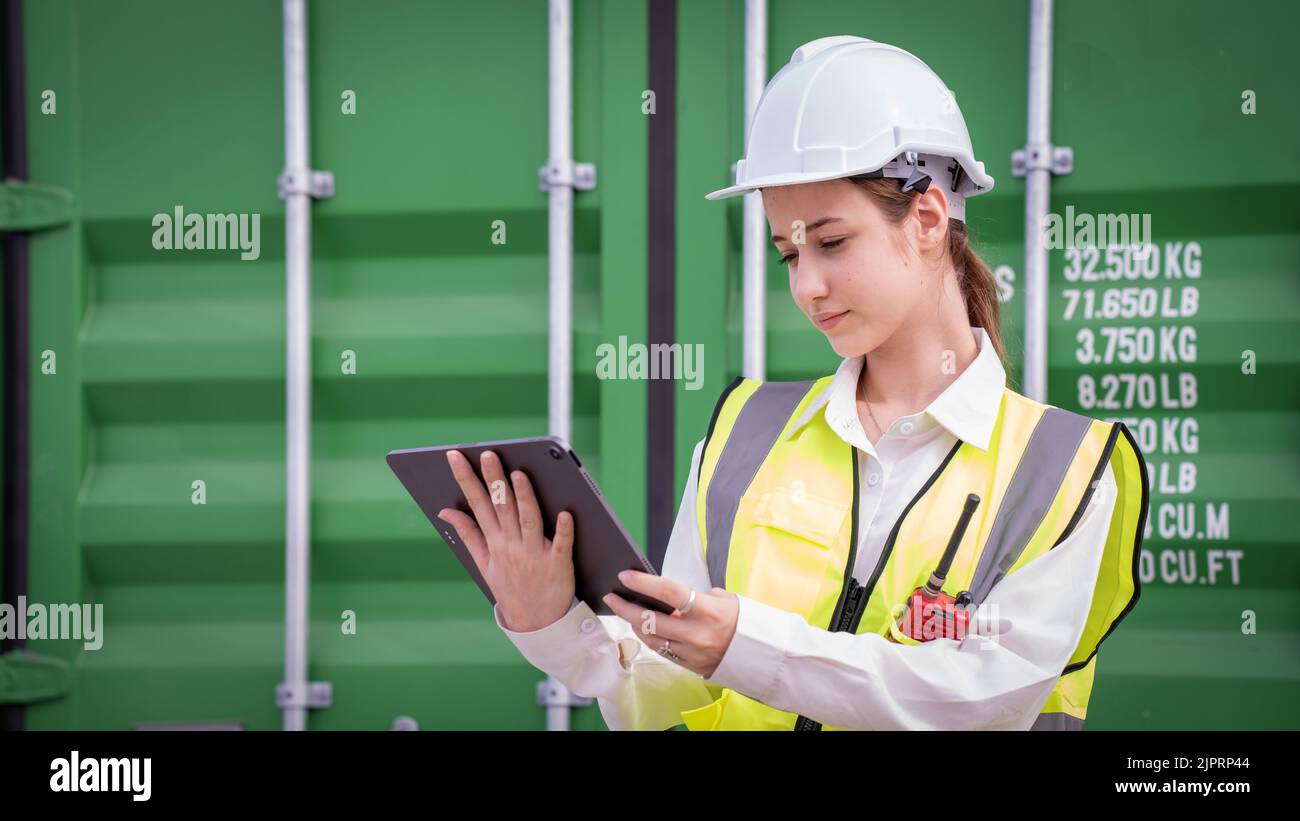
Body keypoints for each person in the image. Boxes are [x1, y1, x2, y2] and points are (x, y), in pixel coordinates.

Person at [438, 35, 1148, 730]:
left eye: (832, 242)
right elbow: (661, 692)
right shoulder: (745, 434)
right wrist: (552, 625)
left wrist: (747, 645)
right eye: (788, 254)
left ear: (928, 217)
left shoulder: (1064, 471)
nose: (807, 287)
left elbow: (980, 700)